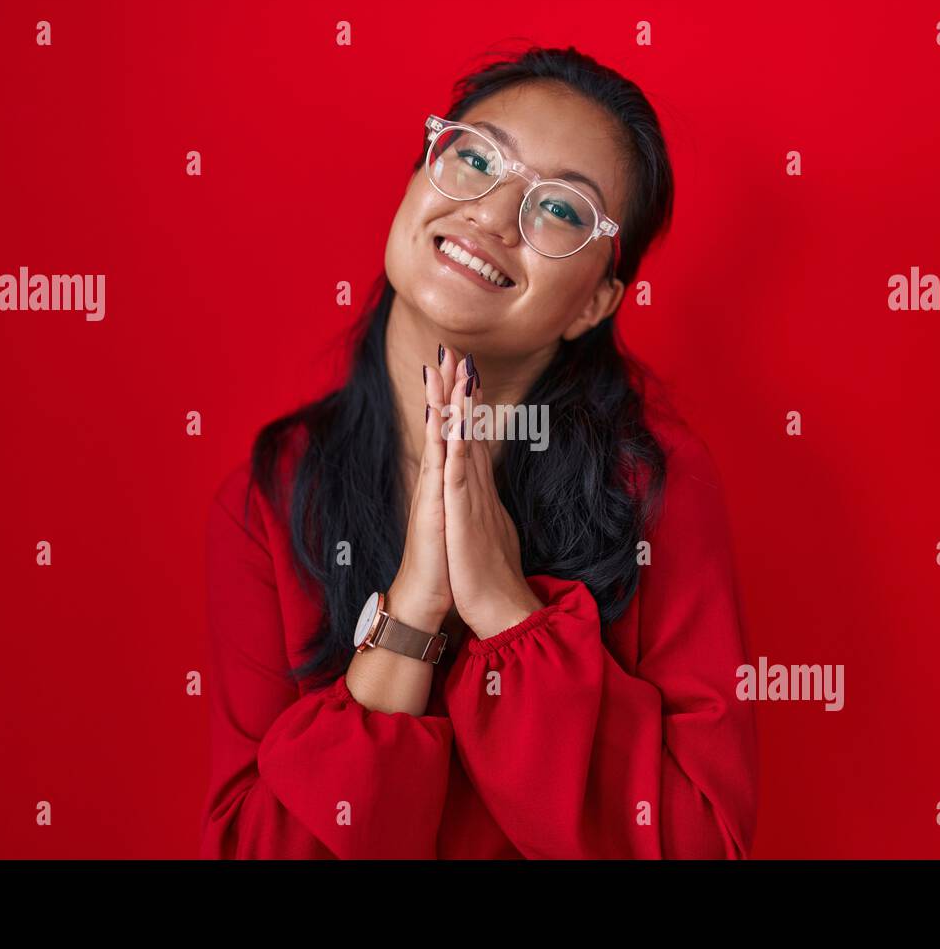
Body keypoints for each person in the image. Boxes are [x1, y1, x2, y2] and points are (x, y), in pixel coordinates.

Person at [199, 44, 757, 859]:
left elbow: (701, 845)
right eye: (475, 158)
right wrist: (411, 618)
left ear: (595, 302)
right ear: (418, 180)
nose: (493, 217)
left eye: (561, 209)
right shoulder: (275, 496)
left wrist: (506, 613)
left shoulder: (654, 485)